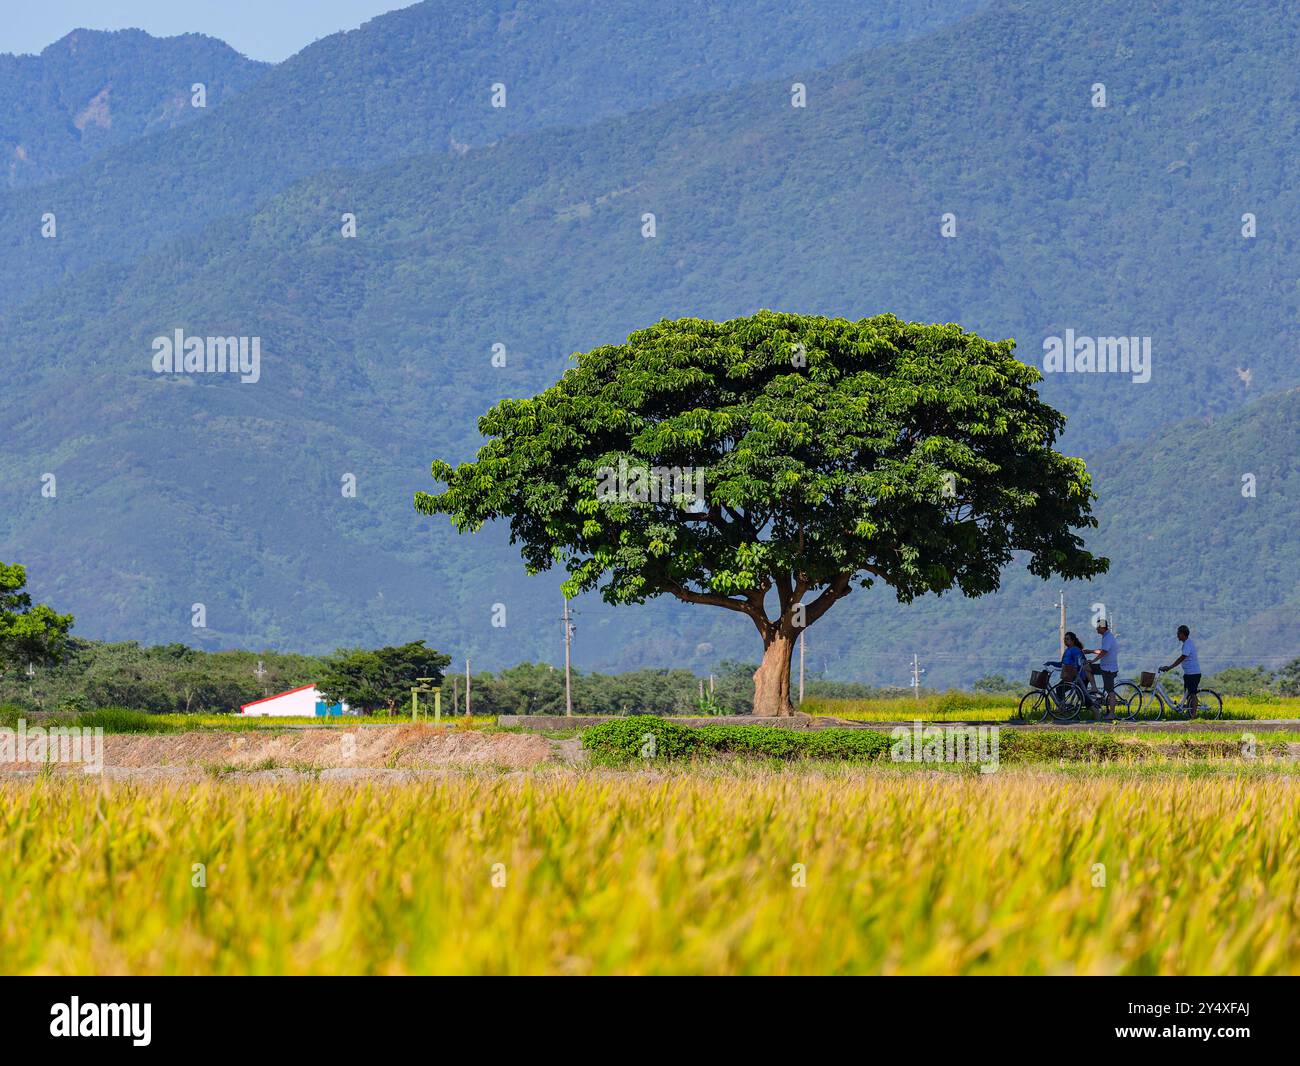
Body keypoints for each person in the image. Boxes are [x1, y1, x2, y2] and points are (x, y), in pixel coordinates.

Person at [1160, 624, 1201, 715]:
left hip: (1193, 674)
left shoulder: (1188, 644)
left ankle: (1193, 716)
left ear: (1183, 634)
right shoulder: (1187, 643)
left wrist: (1170, 667)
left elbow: (1182, 658)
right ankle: (1190, 712)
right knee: (1189, 695)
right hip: (1188, 673)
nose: (1177, 635)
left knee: (1192, 694)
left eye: (1178, 633)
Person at [1085, 619, 1118, 719]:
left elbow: (1104, 652)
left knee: (1110, 691)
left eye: (1098, 627)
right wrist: (1090, 651)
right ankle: (1094, 687)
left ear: (1103, 627)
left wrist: (1093, 661)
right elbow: (1102, 650)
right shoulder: (1106, 636)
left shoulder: (1108, 637)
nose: (1096, 629)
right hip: (1104, 666)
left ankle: (1112, 714)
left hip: (1108, 669)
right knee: (1086, 667)